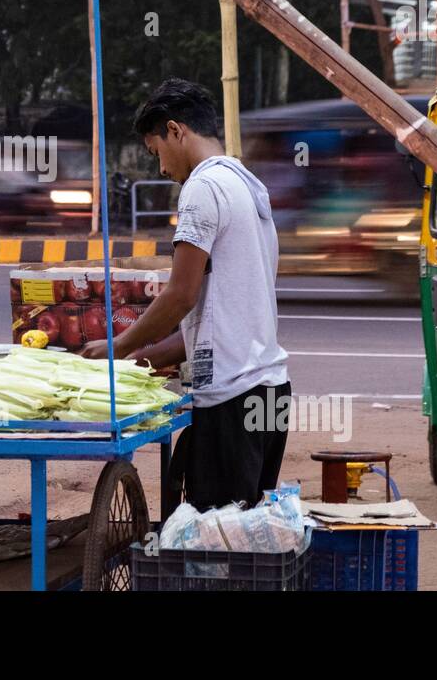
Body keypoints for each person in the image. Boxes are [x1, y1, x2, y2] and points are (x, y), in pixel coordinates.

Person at [80, 78, 290, 510]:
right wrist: (140, 360)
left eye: (156, 151)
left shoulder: (202, 187)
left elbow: (182, 295)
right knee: (245, 529)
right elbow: (222, 315)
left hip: (233, 398)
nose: (160, 169)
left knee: (219, 543)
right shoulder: (249, 185)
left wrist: (119, 345)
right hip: (270, 391)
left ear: (176, 131)